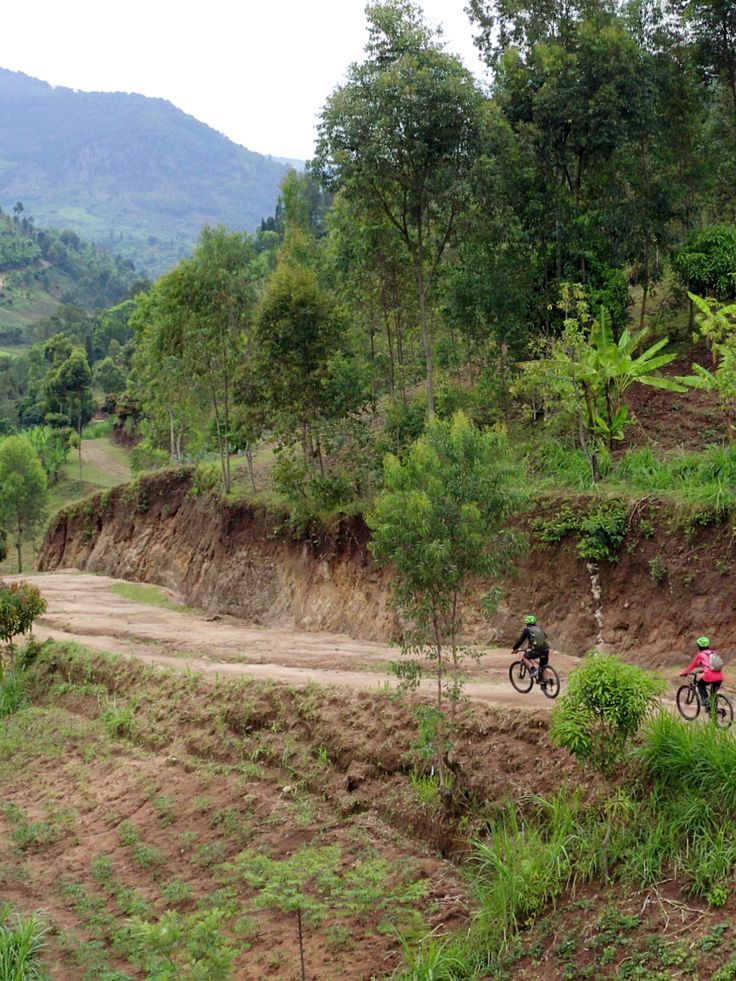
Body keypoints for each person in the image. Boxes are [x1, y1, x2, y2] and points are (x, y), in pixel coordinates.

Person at [680, 636, 724, 712]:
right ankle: (714, 711)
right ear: (708, 645)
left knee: (700, 685)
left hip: (710, 676)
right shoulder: (713, 653)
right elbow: (712, 665)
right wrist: (703, 669)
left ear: (699, 646)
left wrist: (684, 673)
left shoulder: (700, 655)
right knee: (713, 694)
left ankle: (706, 703)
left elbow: (692, 666)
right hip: (720, 677)